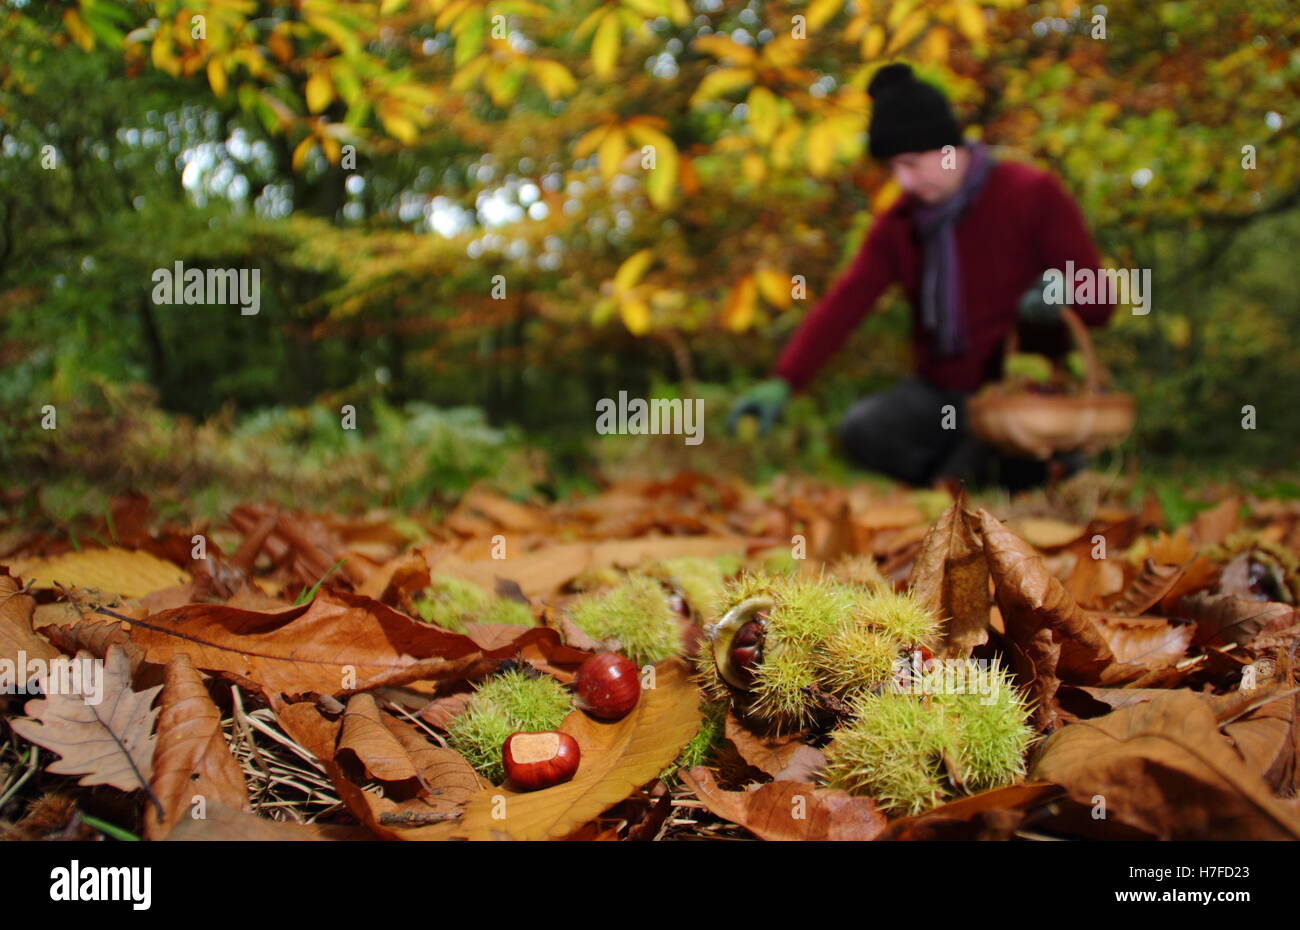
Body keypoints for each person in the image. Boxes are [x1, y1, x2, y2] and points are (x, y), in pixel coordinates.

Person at [727, 63, 1115, 491]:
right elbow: (846, 302)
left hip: (1021, 392)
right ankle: (971, 481)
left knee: (985, 454)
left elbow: (1099, 301)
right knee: (862, 431)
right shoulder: (901, 225)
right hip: (941, 393)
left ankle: (1002, 475)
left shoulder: (1030, 194)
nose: (903, 181)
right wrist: (786, 380)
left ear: (947, 147)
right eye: (894, 168)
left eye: (911, 164)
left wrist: (1059, 293)